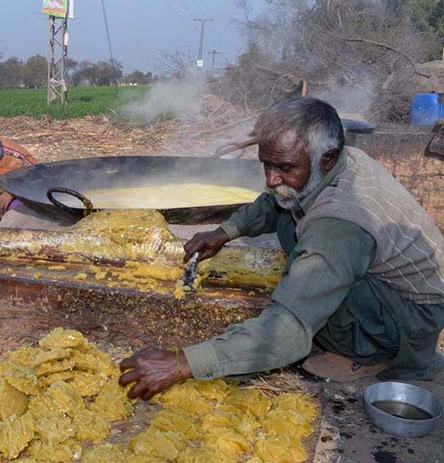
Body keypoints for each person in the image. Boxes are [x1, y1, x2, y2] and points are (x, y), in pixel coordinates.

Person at [119, 97, 444, 399]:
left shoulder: (339, 224)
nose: (271, 179)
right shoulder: (337, 161)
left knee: (305, 282)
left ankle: (370, 353)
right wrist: (225, 231)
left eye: (285, 167)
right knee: (289, 210)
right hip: (398, 293)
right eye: (266, 165)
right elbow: (273, 202)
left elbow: (287, 331)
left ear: (326, 157)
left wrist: (182, 363)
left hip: (407, 319)